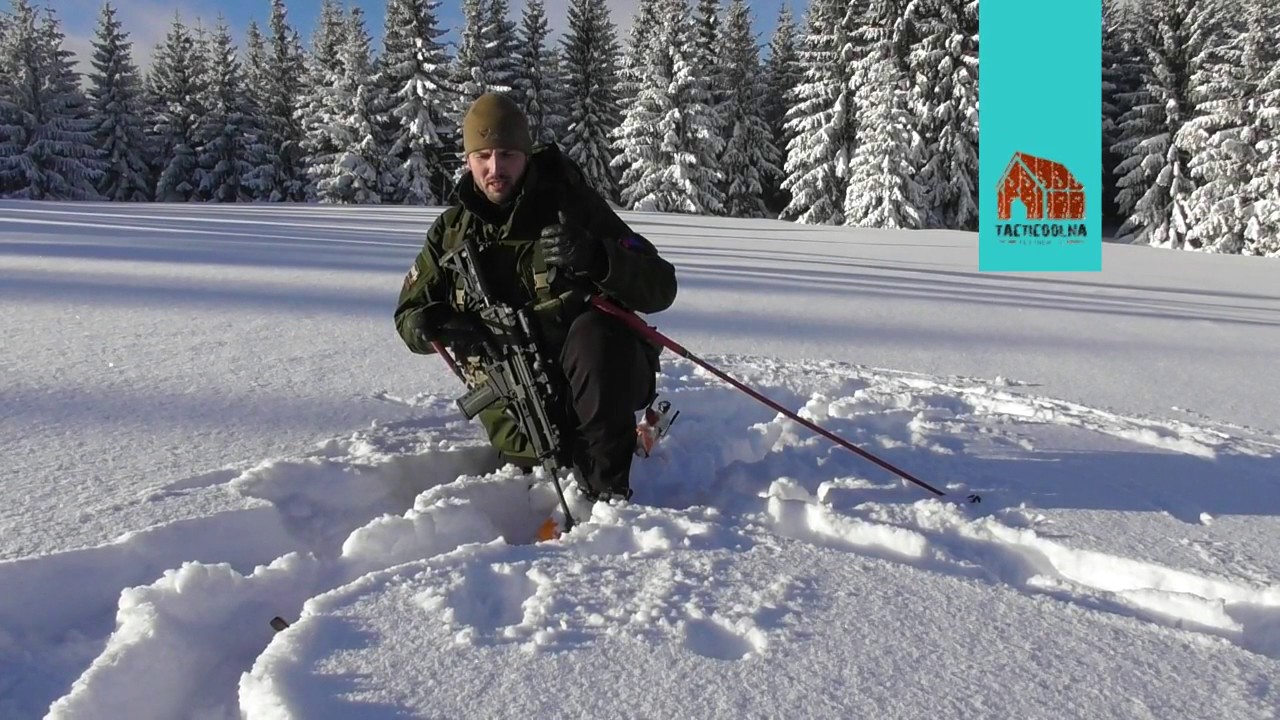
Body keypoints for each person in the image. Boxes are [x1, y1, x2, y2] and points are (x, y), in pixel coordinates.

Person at [394, 93, 678, 501]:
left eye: (507, 154)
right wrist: (430, 324)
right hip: (515, 403)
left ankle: (608, 498)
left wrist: (598, 258)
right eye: (483, 156)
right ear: (467, 160)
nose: (495, 168)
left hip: (599, 379)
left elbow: (661, 286)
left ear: (526, 154)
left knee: (597, 332)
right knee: (536, 452)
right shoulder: (450, 232)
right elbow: (407, 315)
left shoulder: (571, 206)